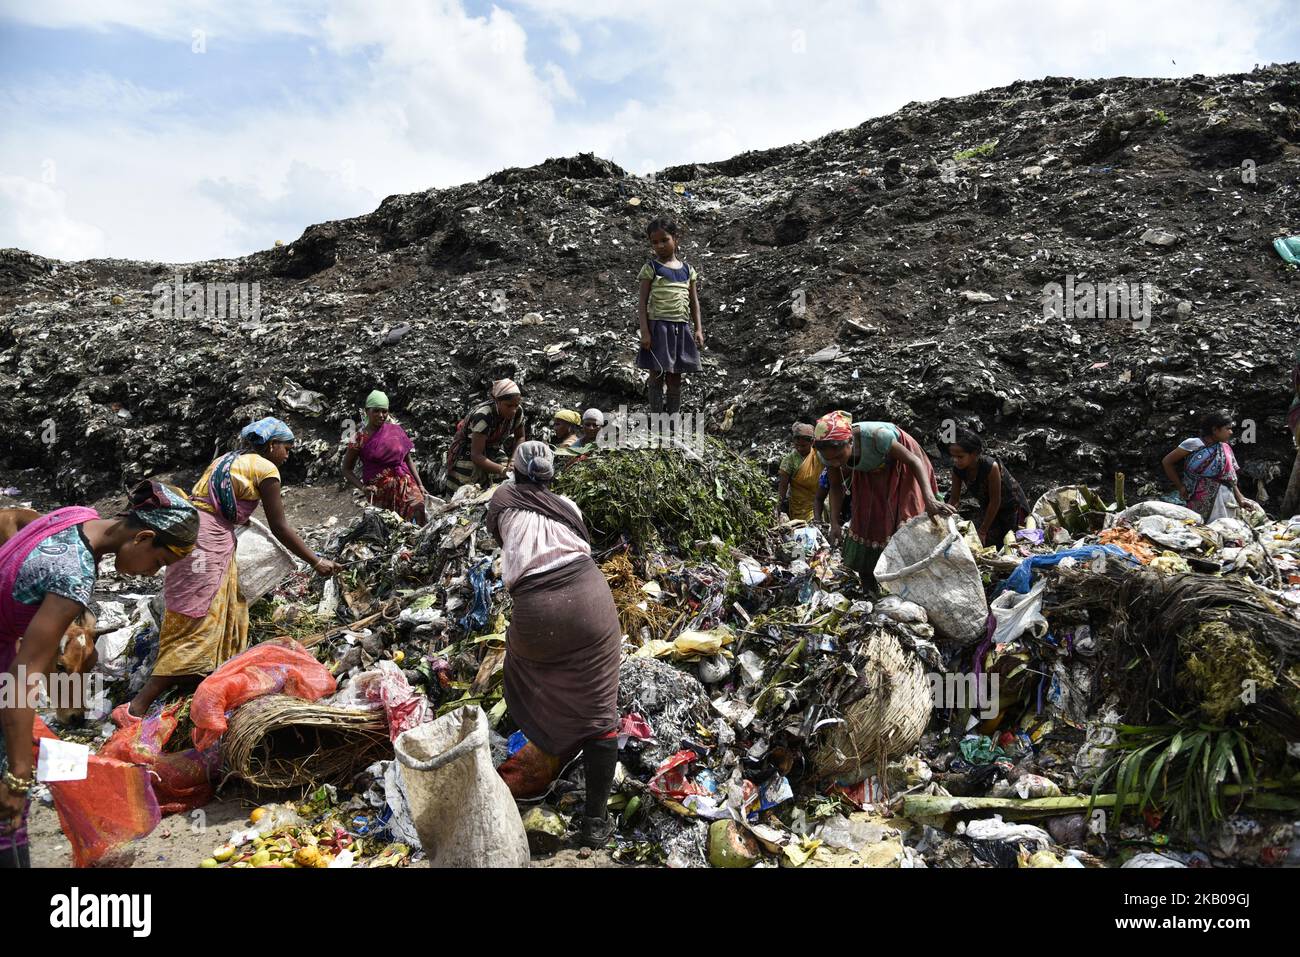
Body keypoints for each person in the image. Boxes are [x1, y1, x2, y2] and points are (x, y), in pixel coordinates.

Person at [1, 481, 198, 868]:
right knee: (8, 808)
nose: (148, 575)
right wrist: (20, 775)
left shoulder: (78, 516)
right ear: (143, 537)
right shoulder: (74, 574)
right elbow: (22, 680)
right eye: (157, 563)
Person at [127, 418, 339, 719]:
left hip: (190, 535)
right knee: (199, 622)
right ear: (271, 445)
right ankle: (137, 708)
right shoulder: (266, 470)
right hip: (209, 542)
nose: (288, 455)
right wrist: (316, 561)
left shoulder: (225, 460)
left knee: (196, 612)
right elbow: (279, 526)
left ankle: (203, 690)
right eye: (286, 448)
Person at [486, 442, 621, 848]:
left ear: (516, 473)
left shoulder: (503, 499)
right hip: (591, 599)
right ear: (551, 476)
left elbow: (499, 538)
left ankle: (544, 751)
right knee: (601, 711)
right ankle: (595, 823)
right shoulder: (570, 506)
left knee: (528, 674)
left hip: (538, 609)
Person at [814, 411, 953, 591]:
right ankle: (869, 589)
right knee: (866, 521)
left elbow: (914, 461)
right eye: (829, 459)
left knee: (904, 521)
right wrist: (834, 523)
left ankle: (912, 584)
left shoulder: (877, 436)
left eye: (839, 457)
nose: (835, 464)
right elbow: (835, 486)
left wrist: (929, 499)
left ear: (850, 442)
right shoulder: (829, 455)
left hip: (903, 468)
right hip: (868, 473)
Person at [637, 217, 704, 417]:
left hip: (680, 329)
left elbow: (694, 302)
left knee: (675, 377)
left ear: (676, 238)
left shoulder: (687, 270)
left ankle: (673, 421)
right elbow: (642, 302)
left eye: (664, 240)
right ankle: (657, 420)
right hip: (658, 328)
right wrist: (645, 332)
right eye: (654, 242)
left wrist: (698, 329)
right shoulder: (651, 268)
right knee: (656, 374)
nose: (660, 245)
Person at [342, 390, 428, 525]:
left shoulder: (396, 430)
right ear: (366, 411)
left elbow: (408, 459)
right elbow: (346, 469)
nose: (381, 415)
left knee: (418, 507)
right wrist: (363, 488)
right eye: (376, 411)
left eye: (384, 411)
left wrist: (420, 484)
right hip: (380, 491)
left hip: (405, 482)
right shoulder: (358, 438)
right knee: (389, 524)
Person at [946, 429, 1032, 546]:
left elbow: (995, 501)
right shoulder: (958, 470)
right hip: (988, 505)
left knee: (1010, 541)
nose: (955, 460)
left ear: (974, 454)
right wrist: (945, 518)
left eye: (960, 457)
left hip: (1011, 506)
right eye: (953, 456)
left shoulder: (990, 466)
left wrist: (983, 530)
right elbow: (954, 499)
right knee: (982, 541)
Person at [1162, 410, 1250, 522]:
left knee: (1226, 532)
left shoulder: (1225, 448)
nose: (1231, 432)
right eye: (1227, 428)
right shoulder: (1193, 444)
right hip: (1198, 500)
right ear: (1214, 430)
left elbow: (1230, 479)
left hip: (1226, 500)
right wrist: (1180, 486)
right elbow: (1167, 462)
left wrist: (1240, 499)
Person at [443, 379, 526, 492]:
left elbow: (520, 437)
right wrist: (503, 470)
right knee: (465, 490)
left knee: (506, 483)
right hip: (469, 450)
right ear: (497, 401)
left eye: (516, 405)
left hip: (493, 447)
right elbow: (476, 455)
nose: (513, 410)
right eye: (508, 406)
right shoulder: (483, 416)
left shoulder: (518, 412)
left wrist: (513, 460)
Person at [776, 423, 820, 522]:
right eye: (797, 445)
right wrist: (777, 507)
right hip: (801, 507)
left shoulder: (819, 455)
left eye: (803, 446)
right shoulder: (789, 461)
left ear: (812, 442)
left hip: (822, 503)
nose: (799, 448)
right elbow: (783, 486)